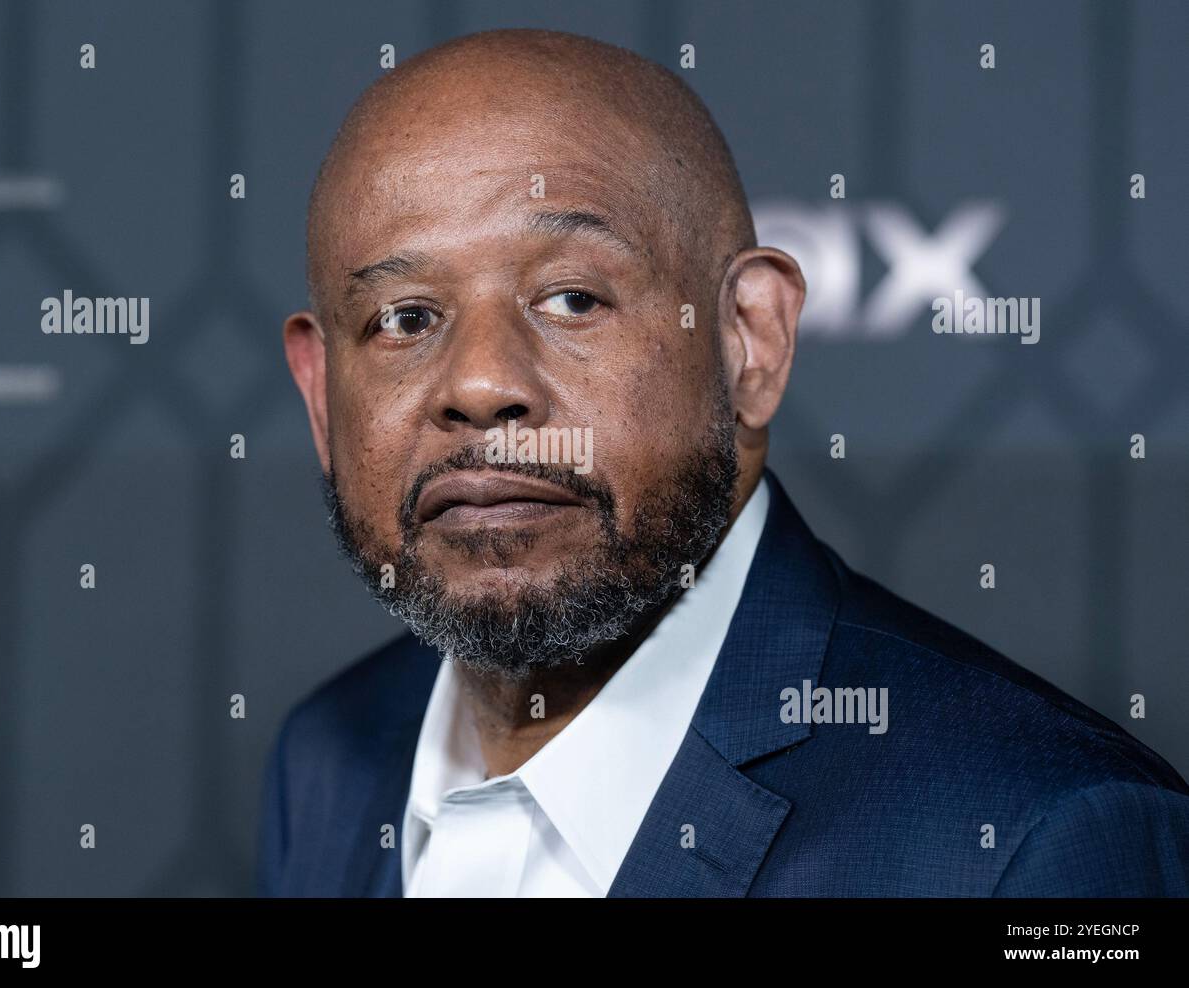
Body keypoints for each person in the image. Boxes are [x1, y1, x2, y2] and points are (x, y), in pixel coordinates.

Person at [259, 28, 1189, 897]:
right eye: (405, 319)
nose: (482, 382)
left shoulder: (1042, 838)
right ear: (319, 393)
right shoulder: (330, 757)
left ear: (752, 339)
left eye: (574, 298)